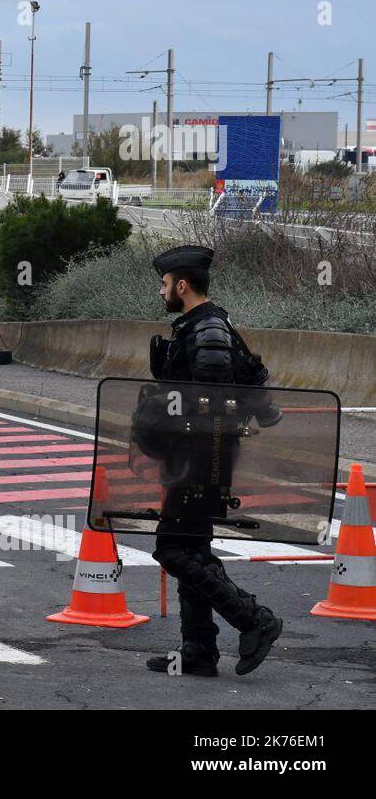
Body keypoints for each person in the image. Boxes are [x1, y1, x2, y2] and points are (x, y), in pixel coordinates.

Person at [144, 245, 283, 678]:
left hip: (203, 460)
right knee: (193, 549)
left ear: (182, 286)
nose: (161, 290)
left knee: (171, 547)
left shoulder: (208, 330)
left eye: (165, 284)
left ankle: (253, 619)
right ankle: (199, 651)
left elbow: (210, 405)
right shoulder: (201, 326)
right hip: (196, 458)